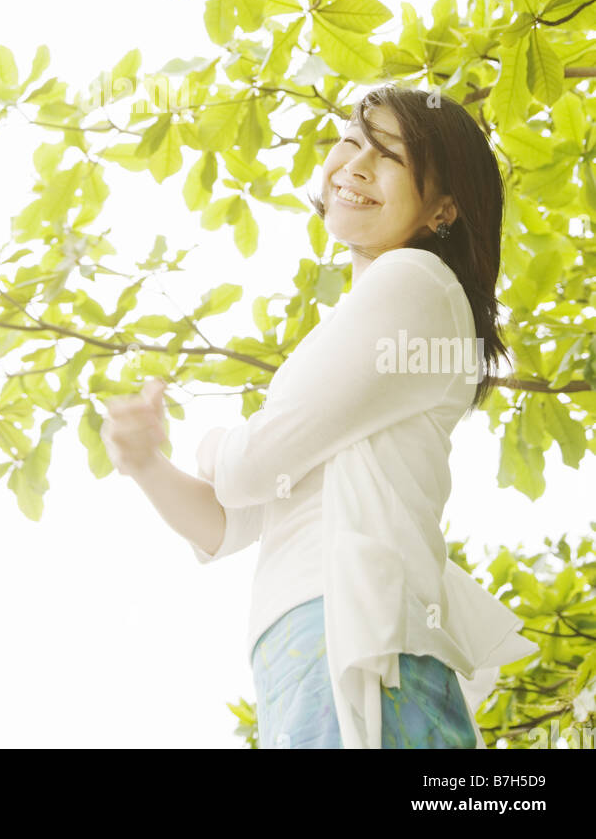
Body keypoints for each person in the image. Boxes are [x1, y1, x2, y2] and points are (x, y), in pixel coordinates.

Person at [101, 85, 532, 748]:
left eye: (388, 155)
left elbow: (245, 470)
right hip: (306, 631)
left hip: (351, 629)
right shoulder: (354, 334)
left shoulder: (414, 283)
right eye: (352, 141)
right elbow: (228, 521)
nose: (354, 165)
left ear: (444, 207)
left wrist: (214, 445)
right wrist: (144, 464)